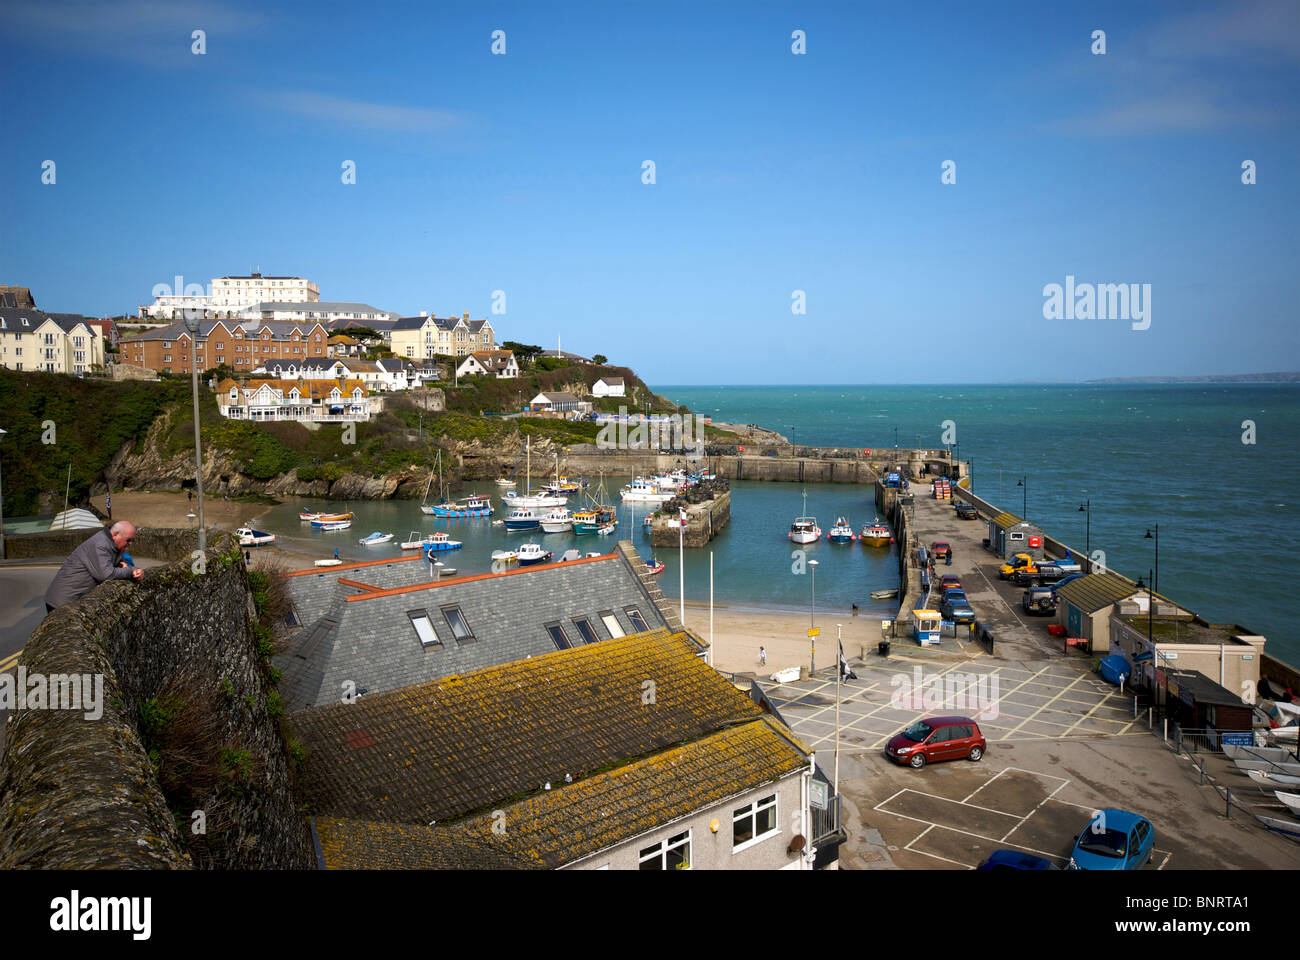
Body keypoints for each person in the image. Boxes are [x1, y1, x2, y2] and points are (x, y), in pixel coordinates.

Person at [44, 520, 144, 612]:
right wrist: (130, 571)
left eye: (132, 540)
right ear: (116, 535)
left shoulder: (114, 545)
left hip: (71, 600)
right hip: (61, 601)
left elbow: (119, 564)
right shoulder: (100, 544)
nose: (130, 543)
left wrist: (135, 570)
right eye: (128, 540)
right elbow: (106, 574)